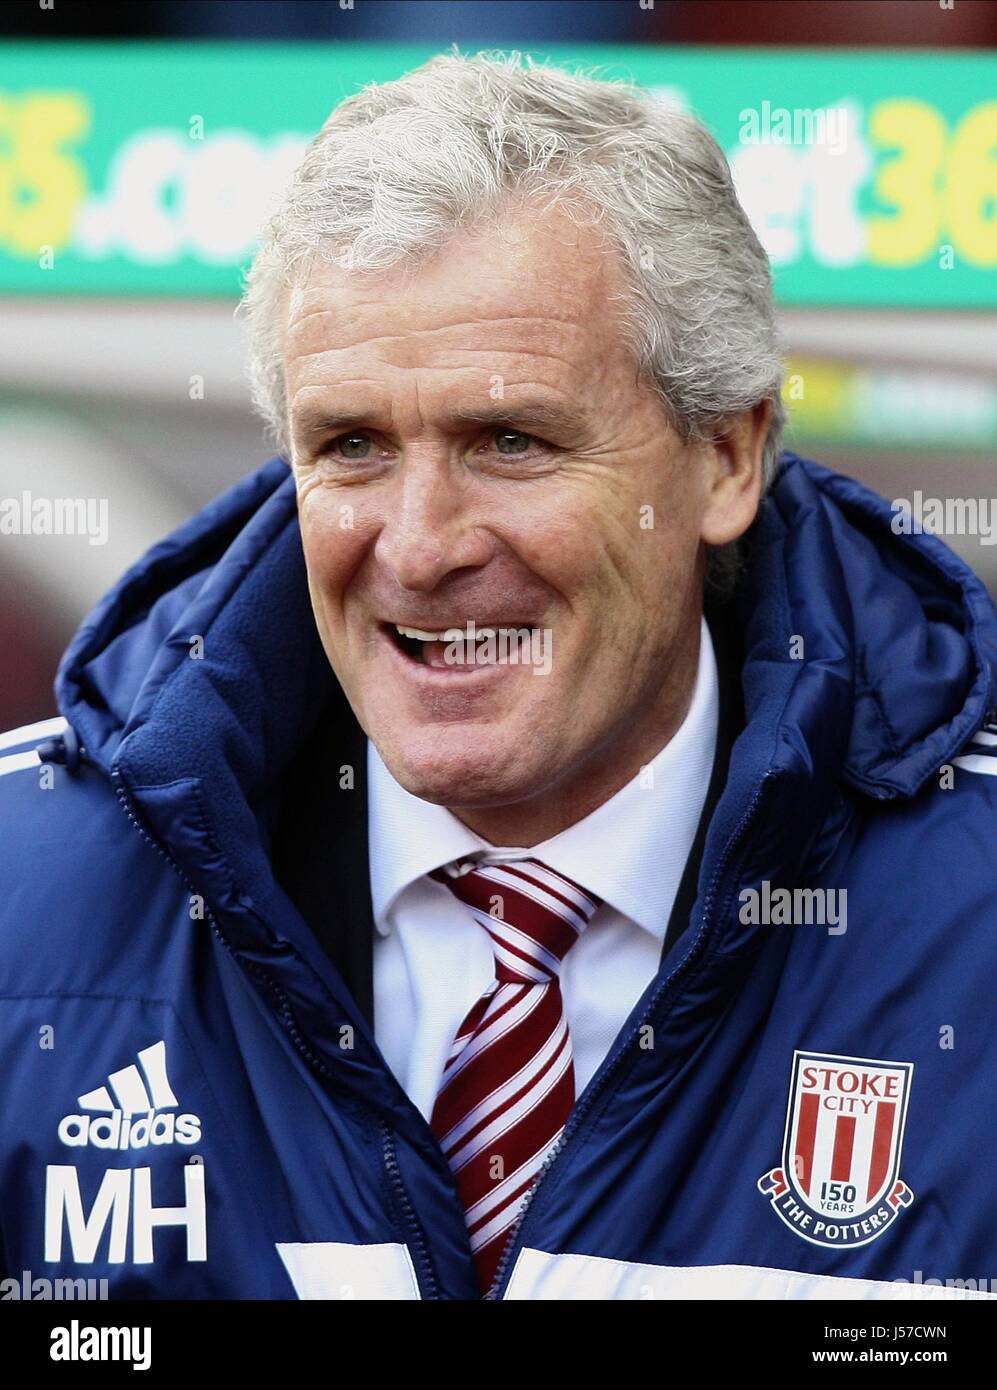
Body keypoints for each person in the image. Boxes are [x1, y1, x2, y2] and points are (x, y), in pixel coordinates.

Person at [2, 52, 996, 1302]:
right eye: (351, 446)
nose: (420, 548)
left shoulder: (969, 911)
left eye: (511, 440)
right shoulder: (24, 890)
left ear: (726, 458)